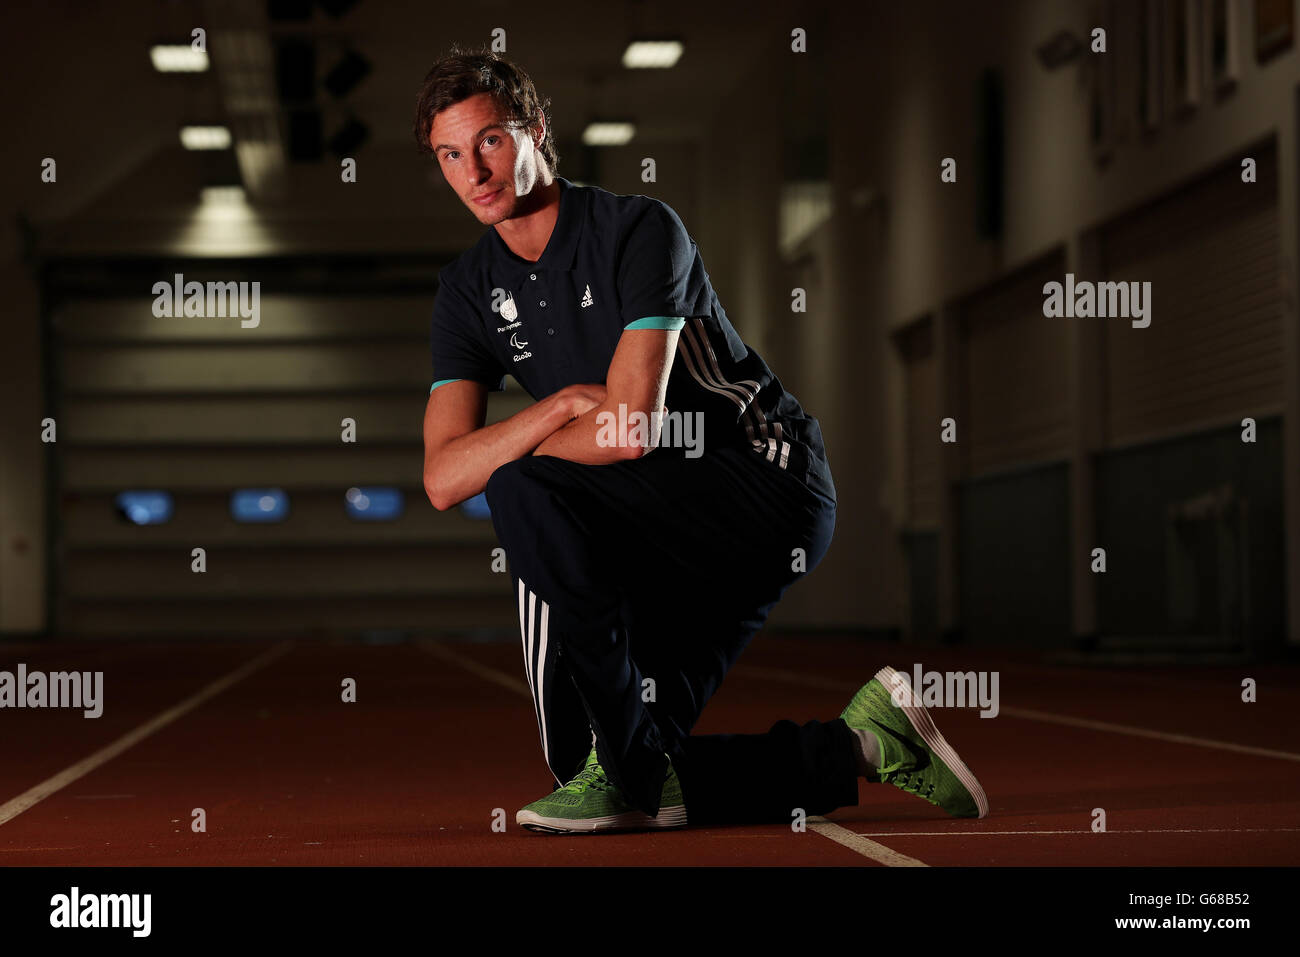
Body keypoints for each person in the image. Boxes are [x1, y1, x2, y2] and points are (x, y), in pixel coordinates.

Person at [415, 48, 988, 832]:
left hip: (759, 482)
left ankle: (629, 776)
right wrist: (549, 414)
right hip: (651, 519)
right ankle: (866, 743)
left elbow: (628, 427)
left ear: (536, 129)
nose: (472, 170)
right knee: (601, 758)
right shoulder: (466, 291)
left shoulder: (638, 229)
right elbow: (443, 478)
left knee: (518, 487)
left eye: (487, 140)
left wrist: (507, 449)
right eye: (449, 153)